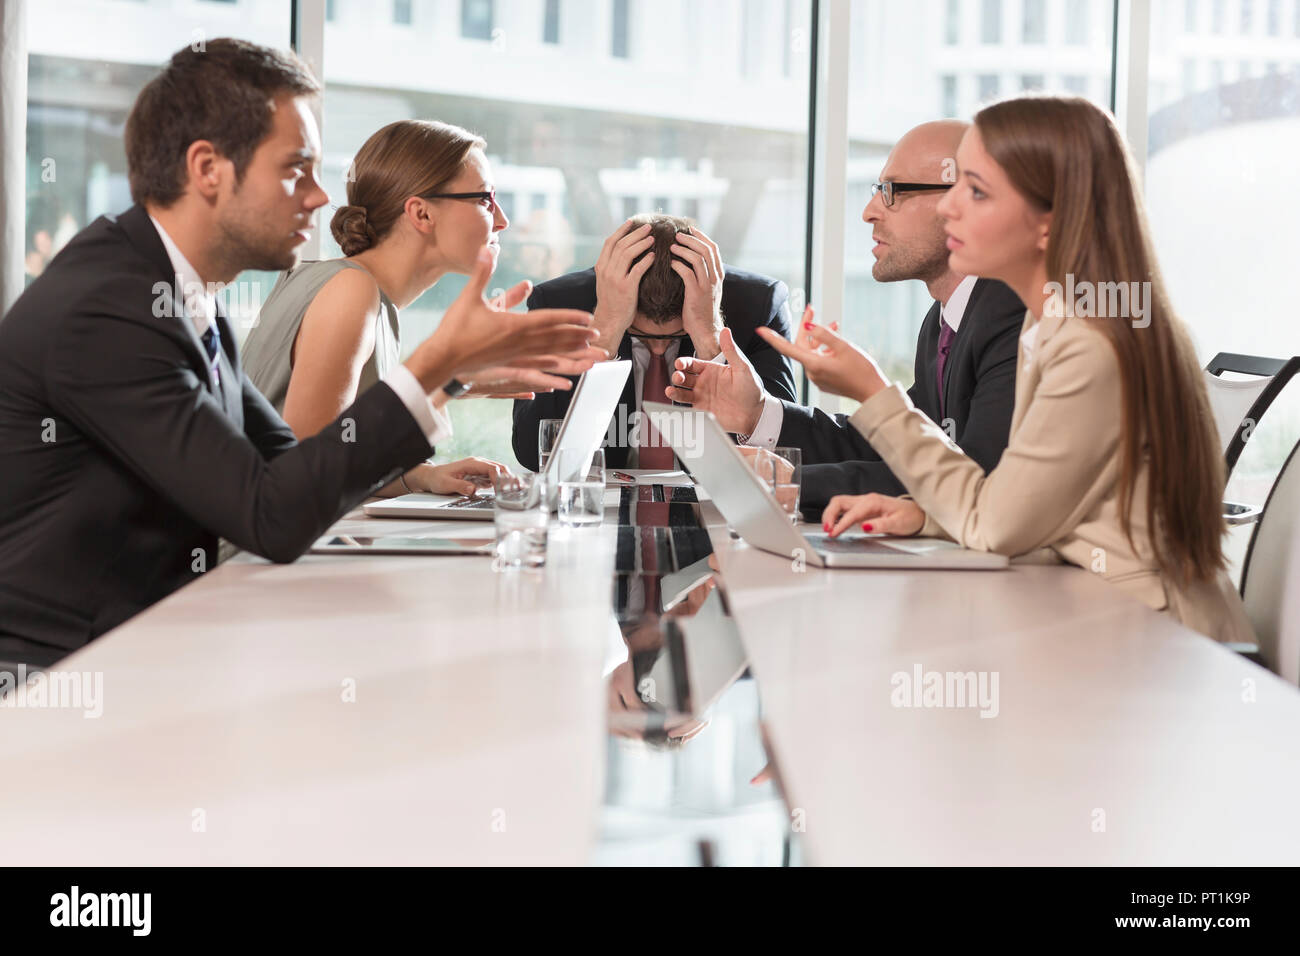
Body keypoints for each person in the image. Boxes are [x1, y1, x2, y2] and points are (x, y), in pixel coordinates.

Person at [0, 39, 601, 667]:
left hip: (150, 652)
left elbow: (300, 472)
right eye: (295, 169)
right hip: (60, 683)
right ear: (208, 169)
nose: (318, 198)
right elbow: (272, 515)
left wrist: (447, 379)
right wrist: (437, 366)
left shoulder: (182, 299)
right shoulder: (109, 311)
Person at [761, 96, 1252, 642]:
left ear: (1048, 222)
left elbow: (995, 523)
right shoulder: (1056, 326)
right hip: (1100, 621)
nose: (949, 209)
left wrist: (874, 392)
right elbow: (1035, 504)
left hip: (1158, 646)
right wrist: (925, 516)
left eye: (976, 192)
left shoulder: (1091, 343)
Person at [666, 121, 1024, 511]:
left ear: (964, 200)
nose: (870, 212)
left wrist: (792, 480)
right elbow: (886, 449)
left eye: (892, 191)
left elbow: (975, 479)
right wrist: (758, 414)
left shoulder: (1011, 313)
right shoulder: (943, 322)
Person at [244, 119, 577, 497]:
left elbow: (337, 453)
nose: (502, 219)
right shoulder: (351, 292)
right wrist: (449, 376)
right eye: (485, 199)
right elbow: (308, 481)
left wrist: (416, 477)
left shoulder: (353, 289)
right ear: (421, 214)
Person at [511, 214, 798, 471]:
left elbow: (780, 452)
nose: (659, 349)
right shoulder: (558, 305)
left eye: (676, 336)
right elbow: (530, 452)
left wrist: (710, 339)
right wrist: (605, 332)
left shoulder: (760, 305)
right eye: (641, 335)